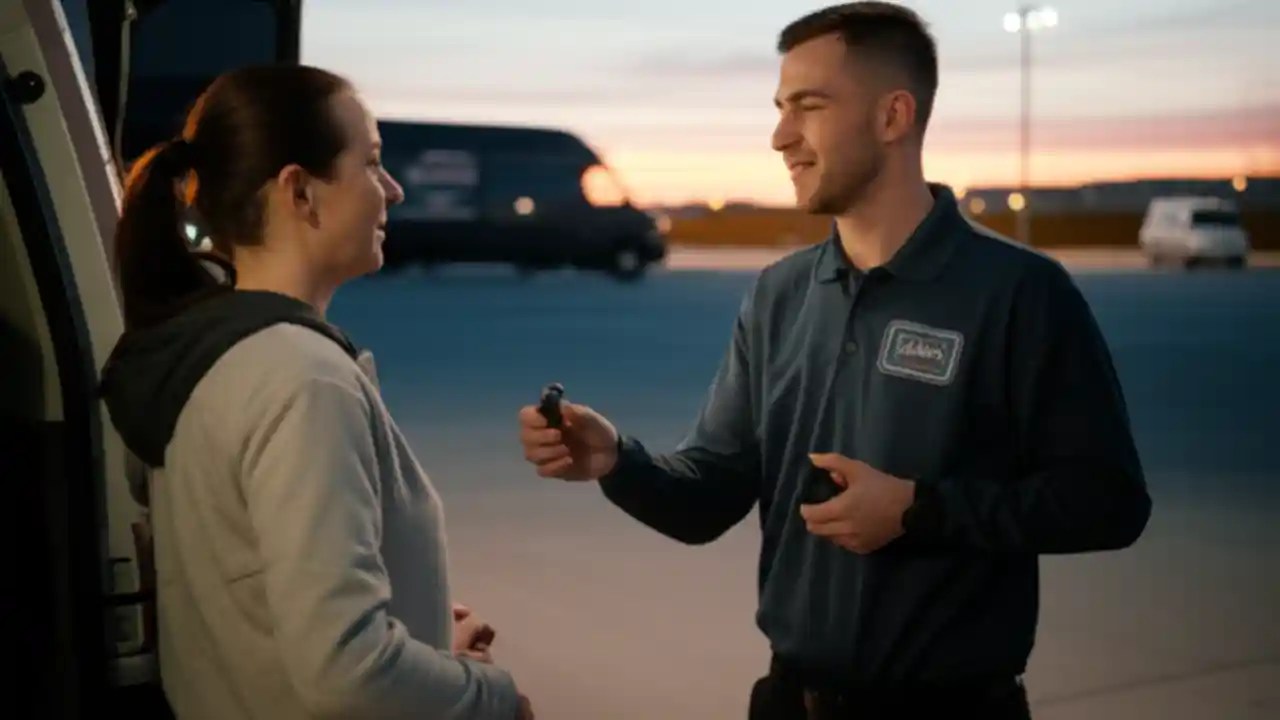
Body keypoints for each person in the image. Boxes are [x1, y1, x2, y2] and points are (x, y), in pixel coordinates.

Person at [517, 3, 1151, 718]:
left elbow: (1109, 503)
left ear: (893, 116)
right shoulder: (780, 294)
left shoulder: (1017, 292)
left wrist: (920, 511)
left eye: (810, 107)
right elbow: (709, 496)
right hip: (789, 702)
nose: (781, 137)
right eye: (781, 109)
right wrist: (615, 461)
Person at [100, 64, 533, 720]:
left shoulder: (207, 361)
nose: (393, 190)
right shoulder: (303, 381)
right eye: (372, 163)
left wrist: (423, 639)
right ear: (300, 192)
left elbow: (256, 612)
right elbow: (348, 673)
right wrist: (492, 698)